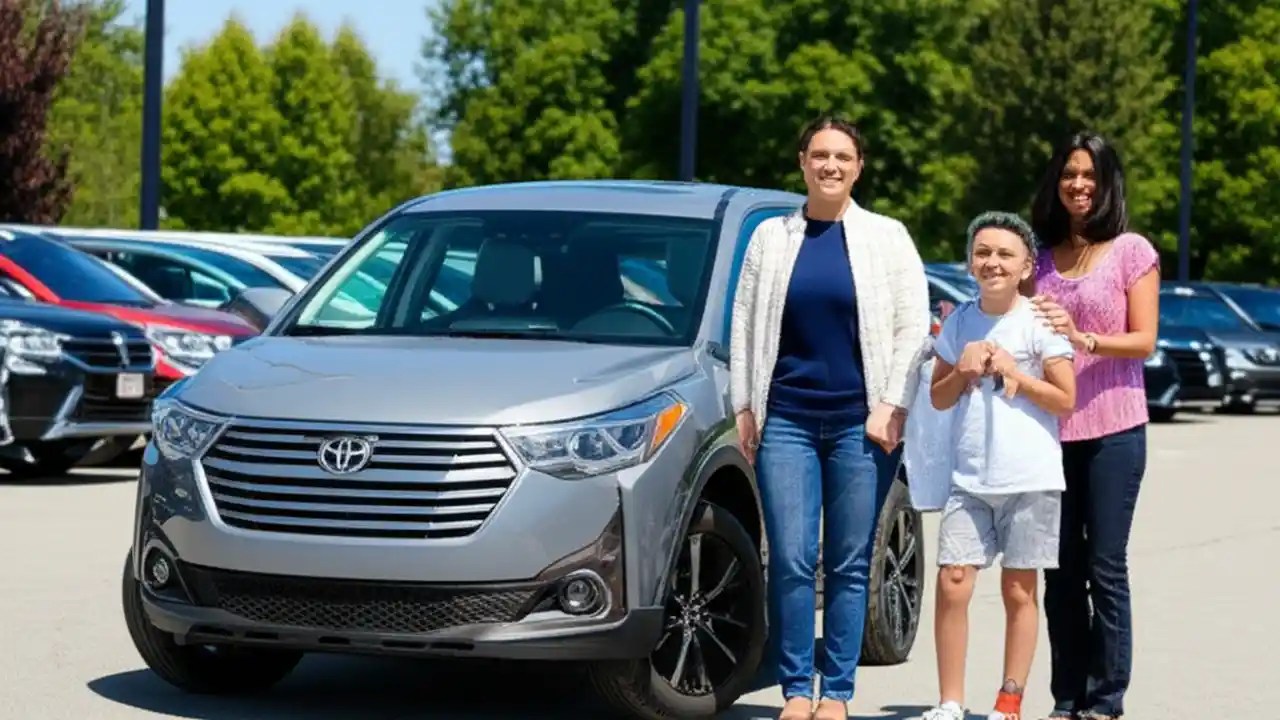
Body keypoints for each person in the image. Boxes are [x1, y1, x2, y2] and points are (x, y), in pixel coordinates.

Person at [729, 114, 930, 720]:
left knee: (848, 560)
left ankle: (836, 692)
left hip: (860, 425)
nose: (831, 166)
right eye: (820, 155)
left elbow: (912, 326)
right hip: (785, 417)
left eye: (843, 157)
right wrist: (745, 406)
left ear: (859, 166)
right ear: (802, 161)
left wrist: (892, 406)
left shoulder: (887, 236)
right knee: (790, 557)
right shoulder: (771, 236)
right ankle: (796, 689)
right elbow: (743, 323)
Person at [919, 212, 1077, 720]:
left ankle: (1009, 703)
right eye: (983, 252)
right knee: (953, 581)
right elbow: (939, 398)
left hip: (1030, 478)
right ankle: (949, 702)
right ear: (970, 262)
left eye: (1005, 254)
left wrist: (1016, 374)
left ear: (1027, 265)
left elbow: (1066, 399)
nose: (993, 262)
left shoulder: (1039, 322)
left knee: (1018, 589)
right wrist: (963, 372)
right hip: (970, 477)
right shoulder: (961, 320)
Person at [1029, 132, 1160, 720]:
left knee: (1105, 566)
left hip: (1115, 430)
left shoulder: (1132, 250)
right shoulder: (1039, 256)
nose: (1078, 185)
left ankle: (1105, 701)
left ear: (1107, 182)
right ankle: (1067, 697)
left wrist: (1085, 338)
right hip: (1050, 433)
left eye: (1089, 175)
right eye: (1068, 175)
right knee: (1061, 571)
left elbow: (1145, 340)